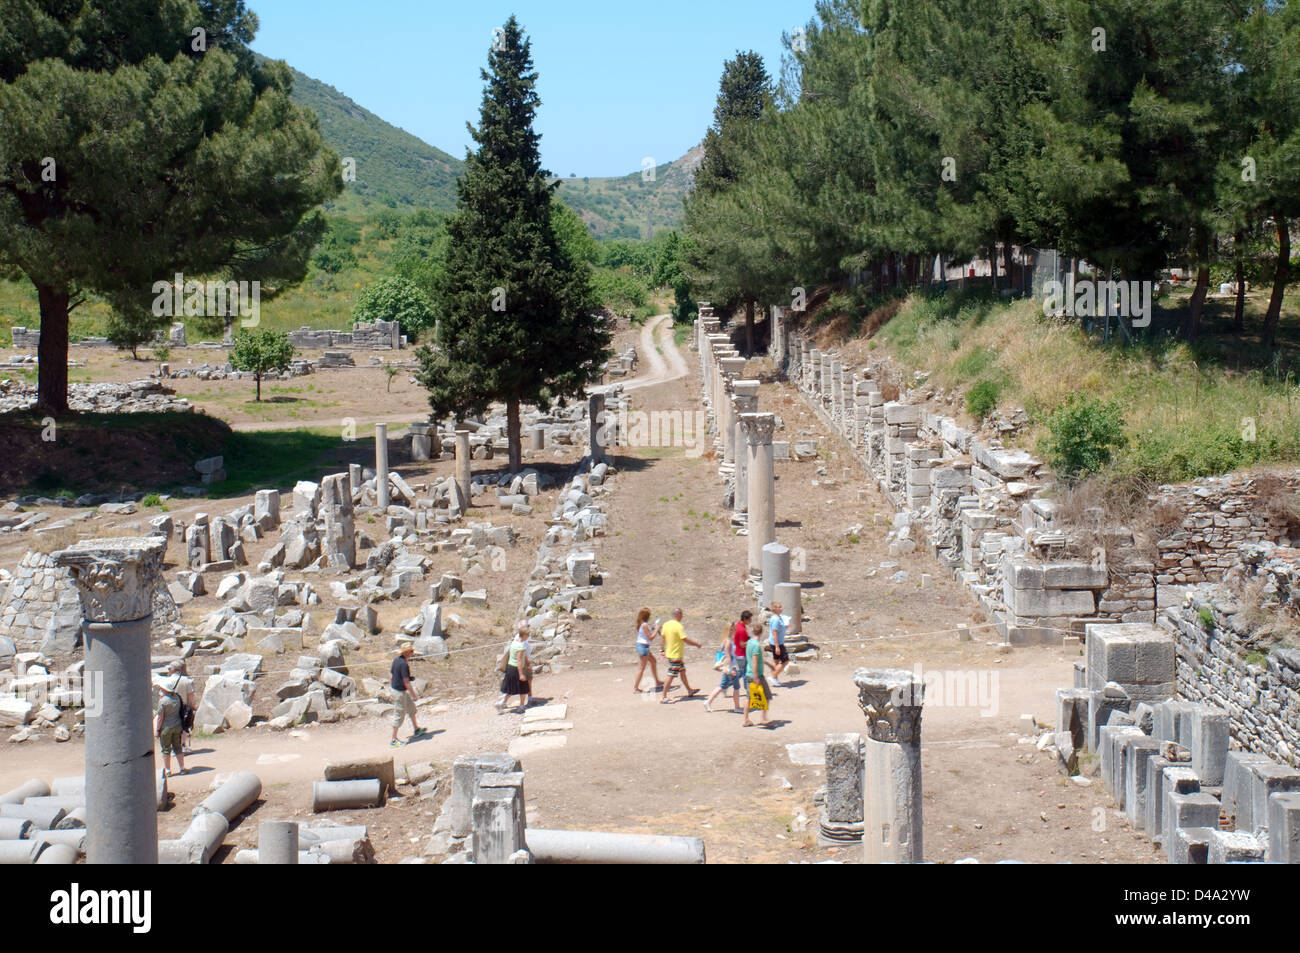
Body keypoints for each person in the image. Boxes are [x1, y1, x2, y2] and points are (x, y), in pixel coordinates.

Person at [659, 608, 701, 703]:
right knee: (671, 675)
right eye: (681, 614)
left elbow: (662, 638)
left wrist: (662, 650)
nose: (682, 616)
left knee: (682, 671)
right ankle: (663, 696)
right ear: (679, 615)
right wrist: (696, 644)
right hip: (676, 655)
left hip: (670, 653)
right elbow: (685, 639)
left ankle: (689, 690)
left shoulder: (666, 625)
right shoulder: (678, 626)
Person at [704, 622, 743, 713]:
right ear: (729, 630)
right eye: (733, 629)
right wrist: (732, 668)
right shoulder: (728, 642)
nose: (735, 630)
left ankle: (708, 702)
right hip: (729, 668)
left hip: (729, 668)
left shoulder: (729, 640)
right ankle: (737, 707)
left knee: (723, 686)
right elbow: (728, 656)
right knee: (736, 687)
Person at [390, 642, 423, 747]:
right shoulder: (403, 664)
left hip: (398, 690)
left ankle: (416, 729)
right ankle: (394, 740)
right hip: (400, 692)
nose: (412, 653)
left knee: (411, 709)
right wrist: (414, 694)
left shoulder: (396, 660)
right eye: (411, 651)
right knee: (399, 715)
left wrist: (391, 689)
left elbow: (391, 675)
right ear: (407, 652)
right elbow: (406, 682)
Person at [155, 674, 187, 777]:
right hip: (177, 725)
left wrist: (157, 730)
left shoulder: (163, 701)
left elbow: (160, 717)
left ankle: (168, 770)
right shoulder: (177, 697)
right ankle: (182, 768)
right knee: (178, 748)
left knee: (165, 749)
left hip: (166, 728)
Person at [497, 622, 533, 713]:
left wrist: (528, 664)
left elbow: (523, 657)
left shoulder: (514, 642)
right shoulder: (521, 646)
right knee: (523, 688)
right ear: (524, 635)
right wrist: (521, 674)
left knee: (511, 688)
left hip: (510, 667)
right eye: (527, 635)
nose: (527, 637)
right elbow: (519, 660)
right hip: (517, 669)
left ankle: (502, 702)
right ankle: (521, 705)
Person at [742, 620, 771, 728]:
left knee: (749, 698)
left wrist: (768, 664)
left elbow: (756, 660)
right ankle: (763, 718)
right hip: (756, 675)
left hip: (749, 673)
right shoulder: (756, 645)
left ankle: (746, 719)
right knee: (767, 695)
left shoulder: (749, 642)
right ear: (761, 632)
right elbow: (754, 661)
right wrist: (756, 677)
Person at [166, 660, 197, 753]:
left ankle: (173, 747)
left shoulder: (167, 681)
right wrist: (193, 706)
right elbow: (190, 695)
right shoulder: (186, 681)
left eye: (169, 668)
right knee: (184, 728)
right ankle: (182, 745)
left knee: (171, 727)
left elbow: (162, 695)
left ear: (173, 670)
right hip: (183, 707)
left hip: (170, 707)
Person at [632, 608, 663, 693]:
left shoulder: (642, 624)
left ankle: (657, 681)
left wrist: (654, 628)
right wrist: (657, 629)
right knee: (641, 668)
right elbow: (651, 637)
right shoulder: (644, 625)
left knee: (653, 661)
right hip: (643, 647)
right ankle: (635, 688)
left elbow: (647, 634)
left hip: (643, 647)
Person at [767, 602, 791, 686]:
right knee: (785, 660)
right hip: (778, 643)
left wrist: (786, 626)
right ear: (775, 609)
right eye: (779, 607)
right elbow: (774, 633)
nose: (781, 608)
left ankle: (775, 679)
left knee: (776, 661)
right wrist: (777, 646)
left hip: (775, 642)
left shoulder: (777, 617)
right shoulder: (776, 619)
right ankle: (773, 676)